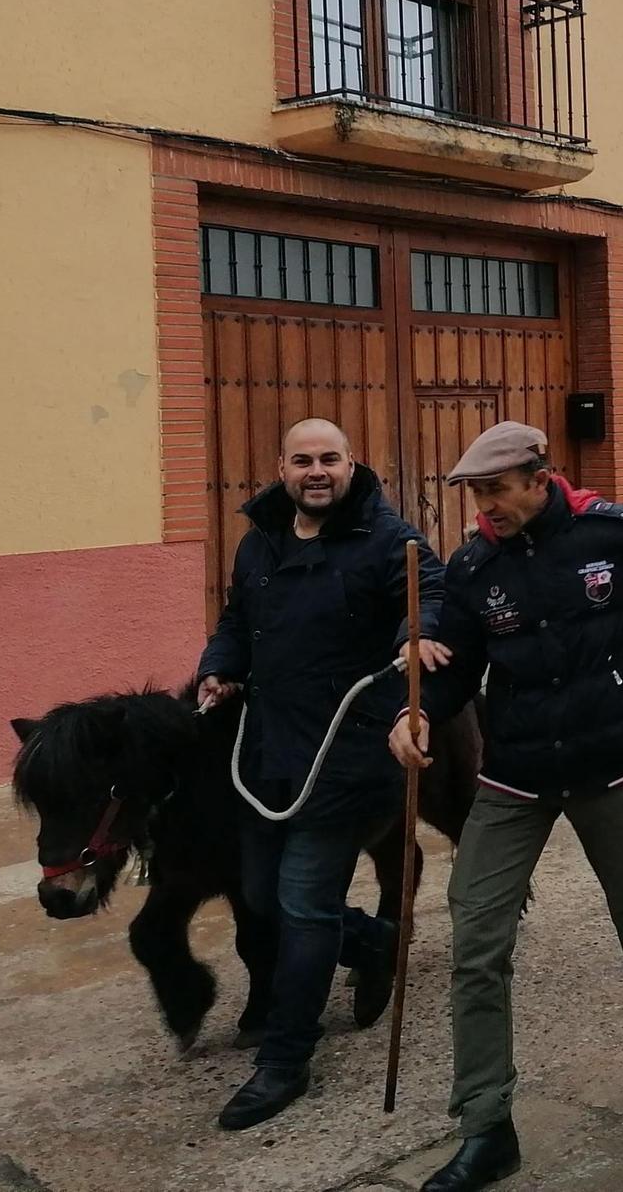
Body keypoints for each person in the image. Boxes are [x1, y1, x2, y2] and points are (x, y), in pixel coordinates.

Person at [394, 422, 623, 1192]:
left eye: (496, 489)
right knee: (476, 944)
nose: (485, 506)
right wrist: (413, 714)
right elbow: (449, 669)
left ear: (537, 476)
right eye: (474, 493)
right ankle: (487, 1125)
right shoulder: (473, 565)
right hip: (515, 774)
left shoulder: (610, 533)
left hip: (608, 766)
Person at [195, 418, 445, 1130]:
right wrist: (220, 669)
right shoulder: (259, 543)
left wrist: (419, 633)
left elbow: (429, 596)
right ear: (281, 467)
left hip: (347, 756)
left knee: (302, 906)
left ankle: (285, 1059)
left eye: (329, 459)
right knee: (261, 896)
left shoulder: (389, 543)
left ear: (351, 464)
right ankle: (374, 943)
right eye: (302, 460)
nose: (316, 472)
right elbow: (237, 622)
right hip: (268, 755)